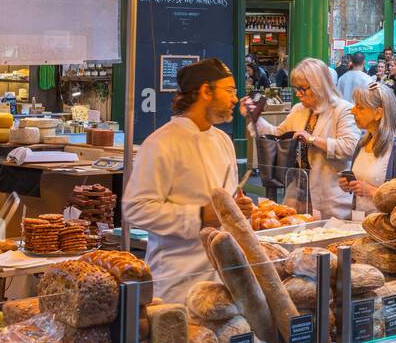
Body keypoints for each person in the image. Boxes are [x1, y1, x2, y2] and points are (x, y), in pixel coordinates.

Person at [123, 59, 239, 302]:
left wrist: (238, 209)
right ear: (206, 91)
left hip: (224, 275)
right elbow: (135, 208)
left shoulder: (223, 141)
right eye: (229, 91)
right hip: (176, 281)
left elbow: (229, 198)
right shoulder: (161, 143)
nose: (235, 99)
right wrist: (198, 217)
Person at [242, 57, 360, 219]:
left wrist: (312, 140)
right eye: (296, 88)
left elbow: (349, 148)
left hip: (330, 199)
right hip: (297, 197)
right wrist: (254, 118)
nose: (298, 93)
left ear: (318, 86)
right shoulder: (299, 110)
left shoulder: (343, 110)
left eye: (302, 88)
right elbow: (277, 135)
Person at [340, 82, 396, 217]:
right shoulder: (362, 142)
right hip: (360, 224)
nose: (352, 110)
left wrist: (372, 191)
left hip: (387, 229)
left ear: (378, 113)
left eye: (360, 107)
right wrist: (350, 185)